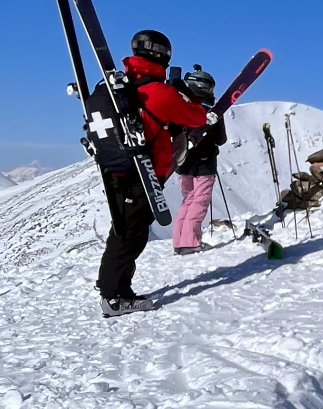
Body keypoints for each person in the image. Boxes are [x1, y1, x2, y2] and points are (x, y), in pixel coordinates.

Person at [94, 30, 211, 317]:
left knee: (123, 230)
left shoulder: (114, 86)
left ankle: (116, 287)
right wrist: (184, 91)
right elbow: (197, 116)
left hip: (114, 169)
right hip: (142, 174)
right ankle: (114, 298)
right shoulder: (160, 92)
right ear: (163, 55)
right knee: (131, 236)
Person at [170, 64, 225, 255]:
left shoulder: (181, 105)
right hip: (205, 162)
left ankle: (180, 240)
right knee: (199, 201)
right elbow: (220, 139)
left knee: (188, 200)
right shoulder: (212, 110)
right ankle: (191, 242)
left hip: (183, 161)